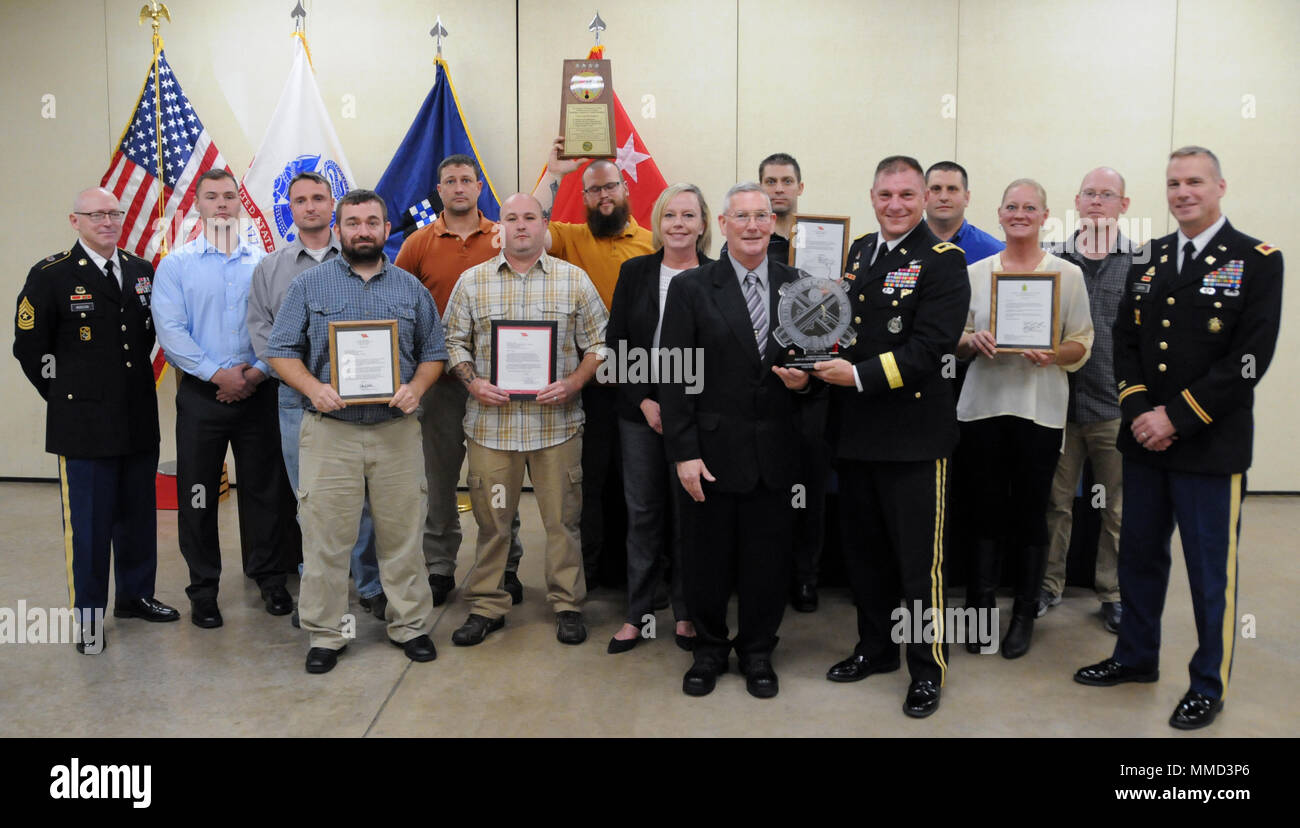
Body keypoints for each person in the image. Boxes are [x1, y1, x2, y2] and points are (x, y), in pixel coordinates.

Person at [1075, 147, 1283, 730]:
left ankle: (1207, 683)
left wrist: (1177, 417)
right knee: (1139, 557)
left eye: (1194, 181)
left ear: (1219, 185)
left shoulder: (1258, 259)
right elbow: (1126, 339)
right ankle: (1136, 657)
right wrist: (1140, 409)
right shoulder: (1150, 256)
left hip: (1209, 447)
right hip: (1144, 442)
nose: (1183, 192)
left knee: (1209, 573)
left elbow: (1249, 358)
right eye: (1173, 183)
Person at [813, 156, 970, 718]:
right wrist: (808, 363)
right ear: (872, 196)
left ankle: (927, 667)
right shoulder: (859, 253)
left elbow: (930, 349)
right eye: (885, 195)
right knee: (865, 556)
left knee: (917, 564)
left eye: (907, 194)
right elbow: (845, 332)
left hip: (913, 437)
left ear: (925, 197)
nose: (896, 205)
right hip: (855, 435)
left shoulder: (945, 262)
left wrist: (854, 376)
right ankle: (875, 649)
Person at [265, 189, 445, 674]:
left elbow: (435, 352)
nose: (362, 230)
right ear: (338, 229)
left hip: (396, 432)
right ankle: (326, 634)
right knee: (325, 537)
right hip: (330, 431)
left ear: (387, 230)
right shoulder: (309, 287)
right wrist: (312, 387)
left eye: (371, 222)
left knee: (402, 534)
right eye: (353, 223)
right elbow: (279, 349)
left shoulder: (411, 288)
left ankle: (409, 626)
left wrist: (417, 387)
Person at [659, 182, 813, 699]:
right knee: (706, 559)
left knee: (767, 561)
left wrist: (806, 380)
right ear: (721, 224)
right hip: (711, 452)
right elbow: (676, 375)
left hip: (775, 452)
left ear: (774, 224)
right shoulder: (692, 288)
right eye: (741, 216)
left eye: (761, 216)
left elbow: (813, 364)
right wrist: (683, 452)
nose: (752, 226)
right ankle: (708, 650)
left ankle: (757, 652)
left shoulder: (801, 285)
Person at [12, 187, 180, 653]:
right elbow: (30, 348)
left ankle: (135, 595)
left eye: (114, 213)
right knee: (88, 524)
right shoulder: (51, 275)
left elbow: (148, 336)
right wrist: (66, 397)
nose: (107, 220)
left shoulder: (142, 271)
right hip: (82, 424)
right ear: (75, 221)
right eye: (96, 214)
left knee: (137, 516)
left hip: (136, 416)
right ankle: (88, 618)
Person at [442, 192, 608, 647]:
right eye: (511, 218)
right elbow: (451, 341)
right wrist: (472, 382)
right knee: (494, 520)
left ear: (544, 224)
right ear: (500, 226)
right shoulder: (472, 282)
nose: (520, 226)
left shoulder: (573, 281)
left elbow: (600, 343)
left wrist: (574, 382)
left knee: (562, 519)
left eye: (529, 217)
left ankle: (567, 603)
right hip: (491, 429)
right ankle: (487, 604)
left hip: (556, 427)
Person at [956, 178, 1093, 660]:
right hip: (983, 407)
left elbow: (1082, 341)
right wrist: (974, 342)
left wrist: (1053, 354)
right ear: (999, 213)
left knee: (1031, 513)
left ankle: (1023, 615)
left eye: (1029, 207)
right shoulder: (974, 272)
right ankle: (979, 609)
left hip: (1039, 409)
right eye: (1012, 206)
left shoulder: (1067, 275)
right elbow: (957, 336)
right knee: (983, 512)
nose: (1020, 214)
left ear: (1044, 215)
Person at [151, 169, 294, 628]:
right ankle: (204, 588)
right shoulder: (177, 265)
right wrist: (219, 375)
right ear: (197, 204)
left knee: (264, 491)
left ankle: (269, 577)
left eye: (229, 196)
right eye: (211, 197)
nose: (221, 204)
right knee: (198, 495)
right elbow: (171, 333)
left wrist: (255, 372)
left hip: (258, 389)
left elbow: (282, 325)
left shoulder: (265, 263)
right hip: (201, 395)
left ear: (240, 204)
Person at [247, 171, 384, 624]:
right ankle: (317, 591)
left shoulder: (364, 260)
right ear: (290, 208)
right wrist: (309, 380)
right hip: (297, 400)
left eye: (319, 198)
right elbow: (265, 335)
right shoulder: (271, 269)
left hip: (364, 400)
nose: (310, 206)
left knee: (363, 497)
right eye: (300, 200)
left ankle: (368, 584)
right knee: (312, 499)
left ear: (334, 205)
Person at [394, 154, 525, 607]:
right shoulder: (417, 243)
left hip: (498, 383)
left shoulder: (502, 236)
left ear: (478, 187)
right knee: (441, 479)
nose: (458, 188)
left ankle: (506, 566)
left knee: (499, 479)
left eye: (466, 180)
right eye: (449, 181)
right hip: (441, 382)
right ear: (440, 189)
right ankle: (439, 567)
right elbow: (402, 305)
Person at [538, 141, 655, 588]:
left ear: (625, 189)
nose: (603, 196)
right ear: (584, 197)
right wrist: (554, 174)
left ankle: (640, 574)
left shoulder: (651, 242)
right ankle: (592, 571)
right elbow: (530, 229)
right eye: (592, 190)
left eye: (610, 187)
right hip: (586, 385)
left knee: (638, 484)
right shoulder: (572, 237)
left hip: (641, 380)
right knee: (590, 483)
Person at [604, 183, 712, 654]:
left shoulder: (717, 276)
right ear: (658, 222)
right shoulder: (635, 272)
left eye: (689, 216)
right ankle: (638, 613)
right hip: (640, 414)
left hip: (698, 417)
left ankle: (687, 613)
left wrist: (682, 409)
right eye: (671, 215)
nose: (679, 224)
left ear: (704, 225)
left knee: (690, 515)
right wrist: (646, 401)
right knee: (644, 514)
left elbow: (723, 353)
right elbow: (619, 346)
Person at [1038, 167, 1135, 632]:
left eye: (1108, 195)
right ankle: (1048, 585)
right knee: (1056, 502)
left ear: (1124, 205)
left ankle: (1113, 592)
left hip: (1115, 407)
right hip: (1058, 403)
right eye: (1090, 194)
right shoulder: (1052, 261)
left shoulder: (1139, 263)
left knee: (1116, 507)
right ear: (1077, 201)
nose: (1098, 201)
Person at [924, 161, 1005, 265]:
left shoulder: (995, 254)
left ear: (966, 198)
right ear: (924, 197)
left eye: (952, 189)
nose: (943, 197)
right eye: (936, 189)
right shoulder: (903, 247)